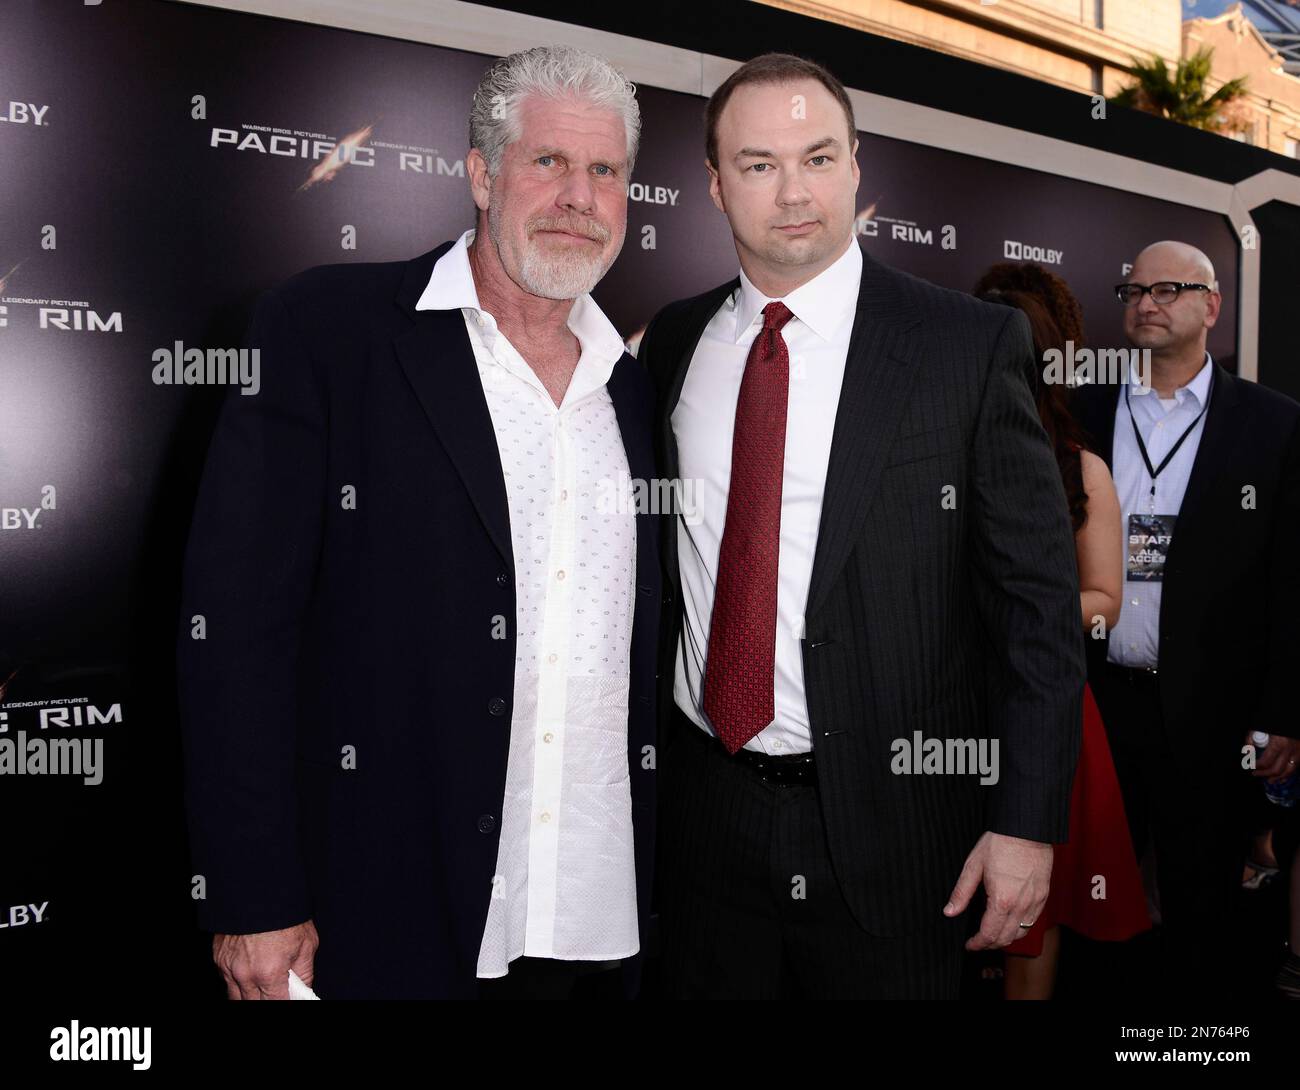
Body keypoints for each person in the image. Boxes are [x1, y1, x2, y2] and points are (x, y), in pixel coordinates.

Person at [177, 45, 661, 1000]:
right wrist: (254, 892)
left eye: (606, 171)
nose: (579, 196)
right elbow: (235, 633)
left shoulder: (635, 390)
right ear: (482, 174)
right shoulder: (329, 332)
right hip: (381, 918)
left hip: (598, 919)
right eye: (549, 162)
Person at [637, 52, 1086, 999]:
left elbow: (1035, 609)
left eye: (818, 156)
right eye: (759, 164)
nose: (793, 190)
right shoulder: (673, 342)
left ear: (857, 167)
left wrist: (1029, 821)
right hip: (704, 817)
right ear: (715, 186)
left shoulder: (965, 344)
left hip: (899, 834)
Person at [1071, 240, 1300, 999]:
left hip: (1214, 711)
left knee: (1203, 908)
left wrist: (1282, 713)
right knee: (1091, 897)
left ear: (1211, 306)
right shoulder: (1080, 409)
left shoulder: (1274, 425)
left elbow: (1292, 580)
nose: (1146, 301)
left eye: (1169, 288)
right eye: (1132, 288)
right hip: (1098, 698)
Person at [973, 265, 1152, 999]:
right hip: (937, 710)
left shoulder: (1083, 469)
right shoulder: (931, 445)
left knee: (1032, 917)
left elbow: (1106, 601)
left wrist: (1009, 606)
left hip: (1044, 713)